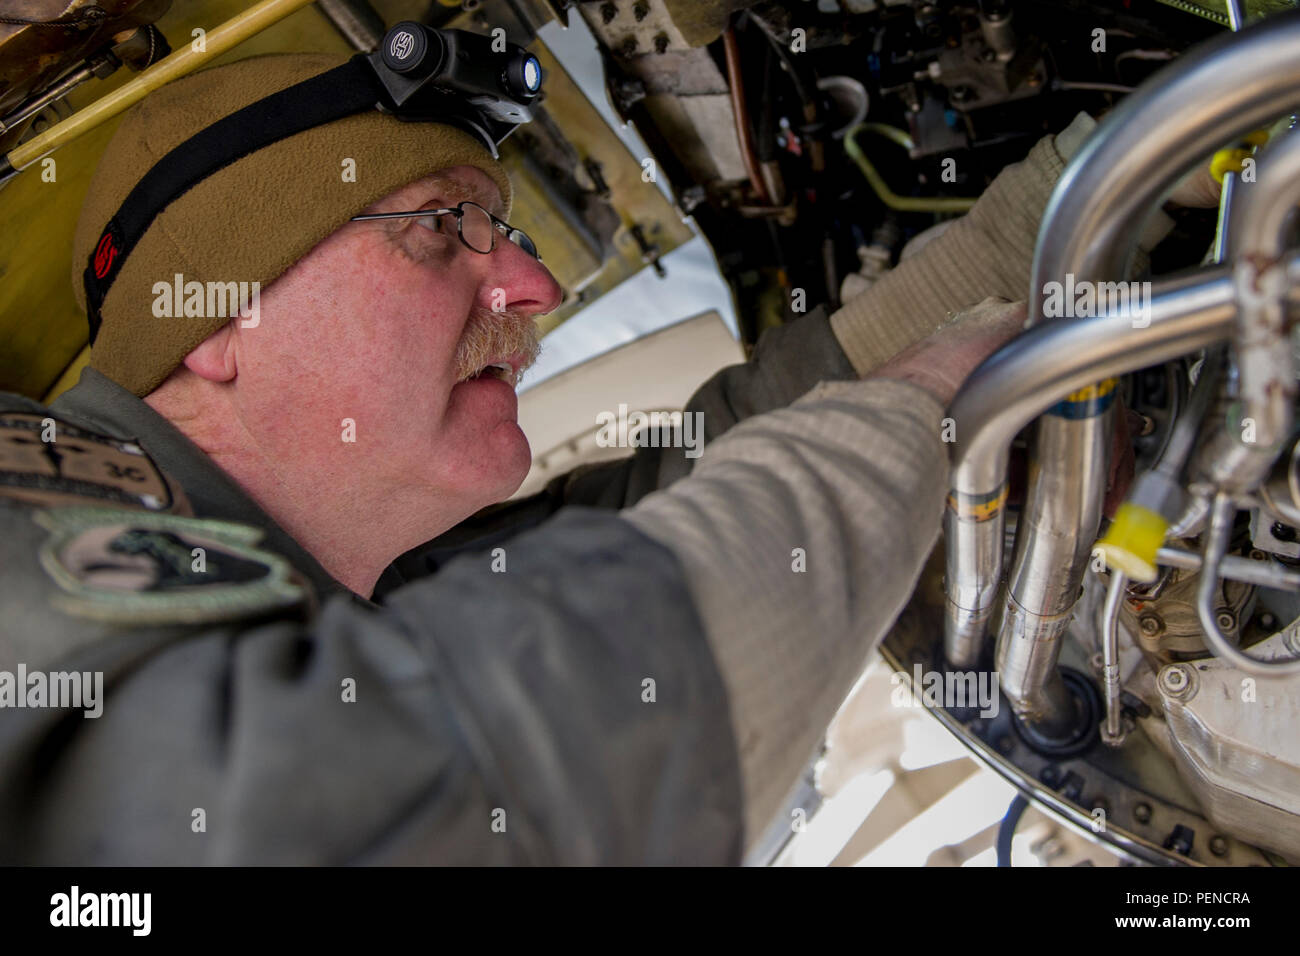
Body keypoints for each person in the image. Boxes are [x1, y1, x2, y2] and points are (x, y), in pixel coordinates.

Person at [0, 51, 1183, 864]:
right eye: (441, 228)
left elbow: (732, 452)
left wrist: (1132, 167)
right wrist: (919, 404)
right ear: (217, 322)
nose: (534, 287)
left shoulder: (332, 582)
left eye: (508, 232)